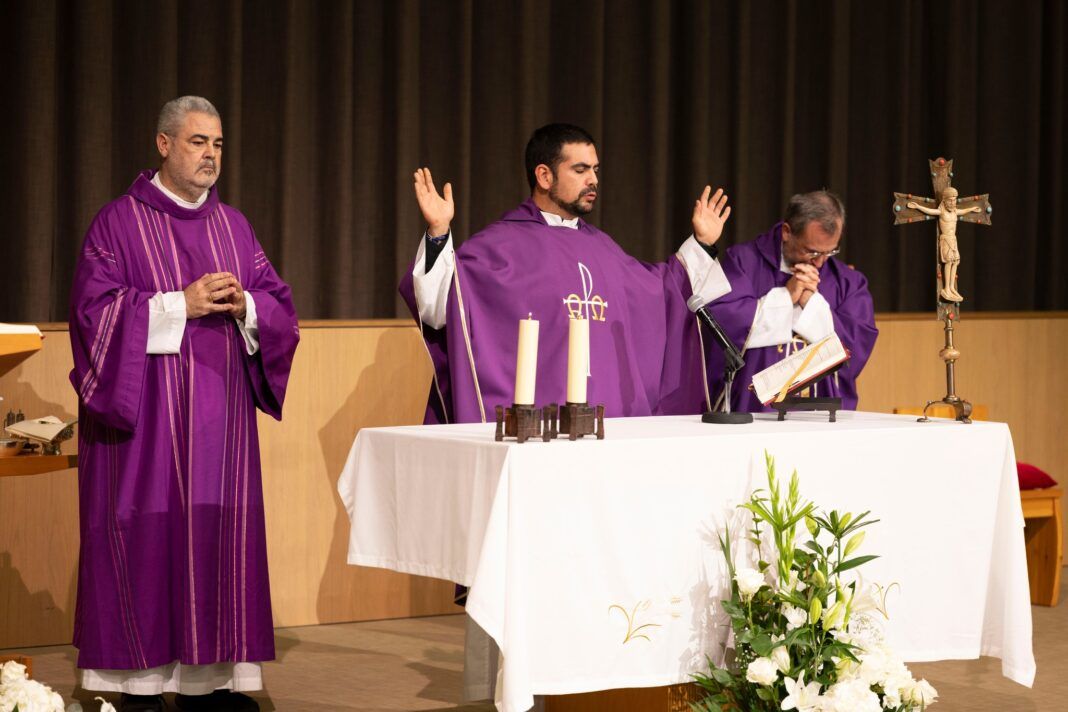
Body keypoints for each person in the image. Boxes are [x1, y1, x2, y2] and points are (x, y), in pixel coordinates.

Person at [68, 96, 299, 712]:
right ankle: (136, 685)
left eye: (218, 145)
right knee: (143, 542)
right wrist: (179, 304)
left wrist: (248, 306)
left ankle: (209, 682)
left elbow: (278, 305)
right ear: (164, 145)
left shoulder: (234, 226)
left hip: (220, 426)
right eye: (198, 142)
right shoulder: (117, 223)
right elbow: (92, 317)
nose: (211, 157)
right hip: (144, 427)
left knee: (215, 540)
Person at [400, 123, 732, 427]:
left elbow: (664, 291)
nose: (594, 180)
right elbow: (440, 306)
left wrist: (701, 244)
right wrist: (439, 232)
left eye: (595, 170)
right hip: (535, 430)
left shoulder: (604, 250)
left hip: (608, 427)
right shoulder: (499, 248)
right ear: (544, 176)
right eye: (580, 169)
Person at [706, 191, 878, 413]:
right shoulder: (742, 263)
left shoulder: (847, 282)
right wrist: (786, 296)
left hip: (821, 418)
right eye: (812, 251)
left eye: (830, 252)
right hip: (753, 413)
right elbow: (723, 325)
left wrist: (812, 302)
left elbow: (855, 346)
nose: (820, 262)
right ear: (787, 232)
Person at [907, 187, 980, 302]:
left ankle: (951, 287)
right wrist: (918, 206)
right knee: (949, 261)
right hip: (945, 240)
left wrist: (972, 208)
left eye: (954, 200)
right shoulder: (941, 212)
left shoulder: (955, 211)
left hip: (953, 240)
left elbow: (963, 211)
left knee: (955, 262)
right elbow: (930, 211)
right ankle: (946, 288)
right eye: (950, 200)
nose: (952, 203)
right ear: (944, 200)